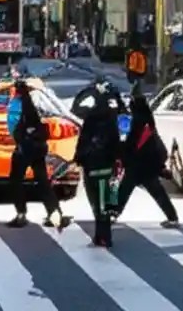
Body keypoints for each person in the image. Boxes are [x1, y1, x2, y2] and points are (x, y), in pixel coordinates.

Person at [5, 80, 70, 230]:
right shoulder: (33, 103)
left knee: (15, 180)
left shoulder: (17, 104)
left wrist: (19, 140)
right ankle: (55, 214)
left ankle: (21, 214)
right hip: (38, 147)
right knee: (42, 182)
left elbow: (13, 125)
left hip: (24, 148)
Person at [115, 94, 180, 227]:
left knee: (124, 191)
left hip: (138, 164)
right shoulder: (147, 120)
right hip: (147, 164)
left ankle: (113, 215)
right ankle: (172, 217)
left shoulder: (139, 122)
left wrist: (122, 154)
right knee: (157, 192)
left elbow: (133, 143)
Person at [75, 84, 122, 247]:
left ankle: (99, 236)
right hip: (106, 168)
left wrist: (88, 90)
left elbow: (76, 108)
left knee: (95, 203)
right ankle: (105, 236)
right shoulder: (111, 119)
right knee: (105, 203)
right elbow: (116, 143)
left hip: (91, 167)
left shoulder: (90, 118)